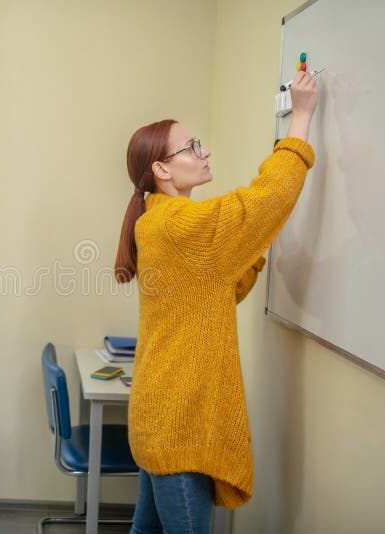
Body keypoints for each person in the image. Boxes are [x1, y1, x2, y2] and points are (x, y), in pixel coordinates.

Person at [114, 70, 318, 533]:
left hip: (161, 414)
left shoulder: (159, 221)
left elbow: (219, 289)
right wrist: (301, 118)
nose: (203, 152)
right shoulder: (178, 225)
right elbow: (265, 199)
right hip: (178, 423)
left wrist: (251, 245)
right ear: (162, 169)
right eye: (191, 147)